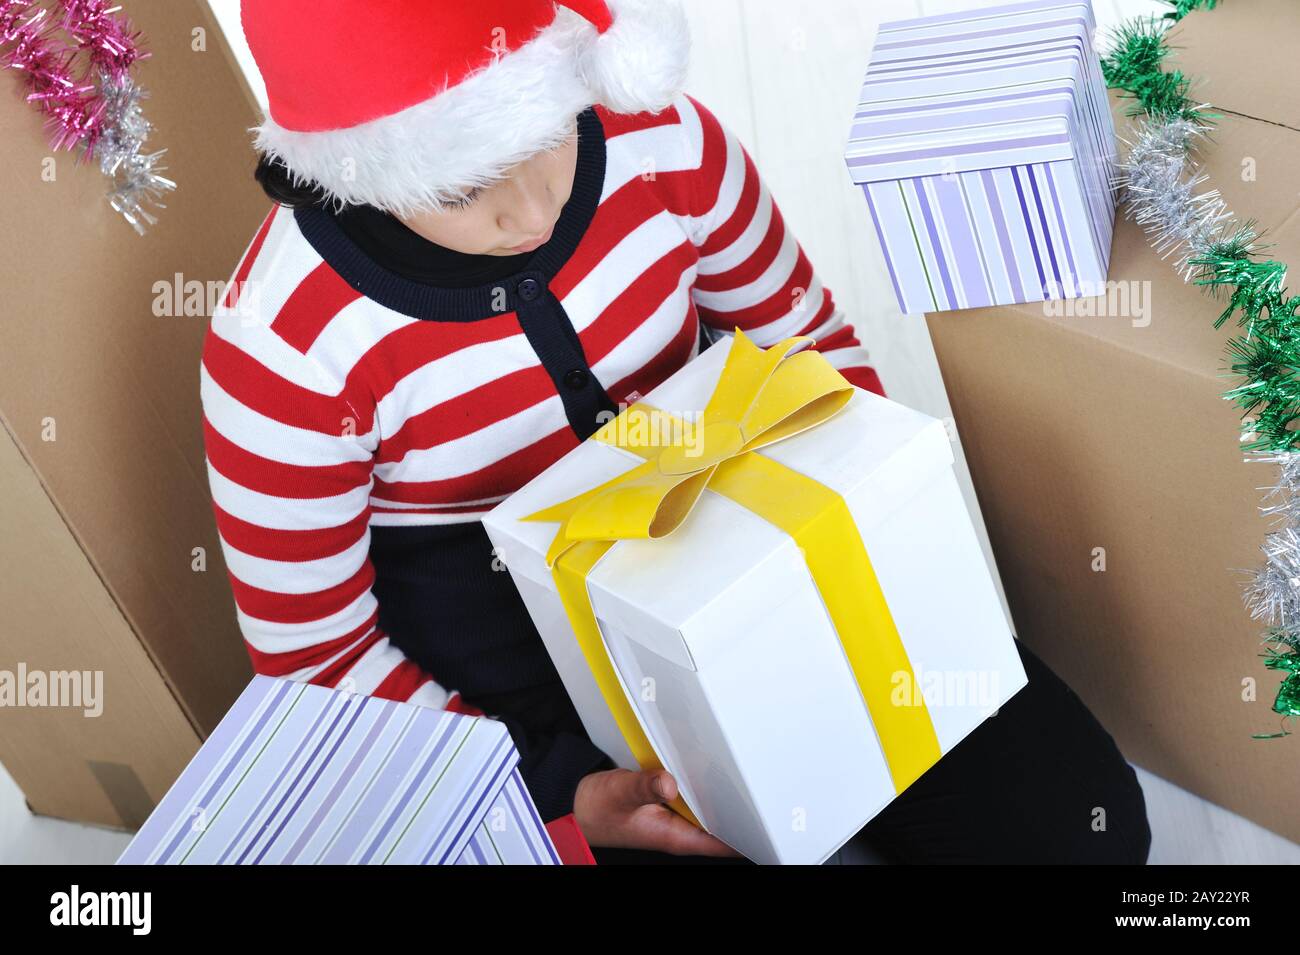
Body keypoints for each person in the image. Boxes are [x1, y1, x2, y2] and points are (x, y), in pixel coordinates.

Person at [204, 0, 1150, 864]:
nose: (531, 210)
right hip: (533, 700)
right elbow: (316, 660)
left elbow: (812, 346)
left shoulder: (659, 141)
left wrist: (875, 566)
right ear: (357, 166)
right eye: (466, 184)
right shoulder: (284, 347)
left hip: (758, 575)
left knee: (1080, 824)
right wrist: (564, 790)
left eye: (547, 131)